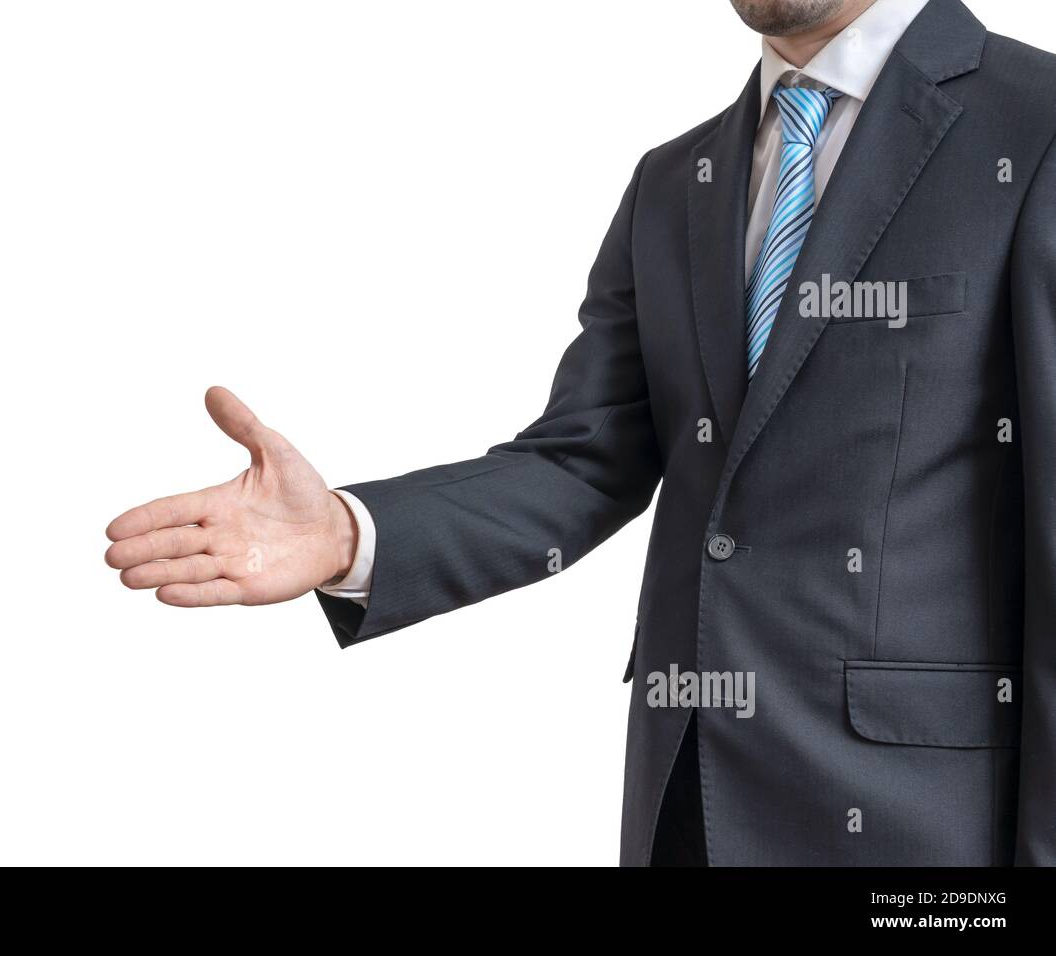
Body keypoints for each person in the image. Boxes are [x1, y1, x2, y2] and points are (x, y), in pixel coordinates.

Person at [105, 0, 1056, 865]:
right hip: (689, 797)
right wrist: (353, 536)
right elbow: (585, 460)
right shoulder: (677, 178)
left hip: (927, 828)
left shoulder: (1036, 126)